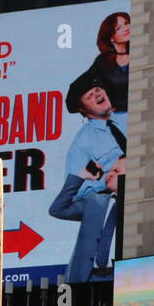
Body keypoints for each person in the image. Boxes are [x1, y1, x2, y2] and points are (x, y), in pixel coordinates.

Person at [48, 72, 126, 282]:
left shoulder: (129, 119)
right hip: (91, 277)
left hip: (129, 272)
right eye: (90, 95)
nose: (97, 93)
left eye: (98, 89)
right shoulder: (82, 144)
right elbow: (67, 203)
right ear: (83, 110)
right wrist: (110, 181)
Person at [88, 11, 130, 112]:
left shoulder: (140, 52)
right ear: (111, 38)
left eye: (127, 23)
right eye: (118, 28)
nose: (126, 28)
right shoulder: (102, 62)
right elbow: (85, 85)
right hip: (118, 117)